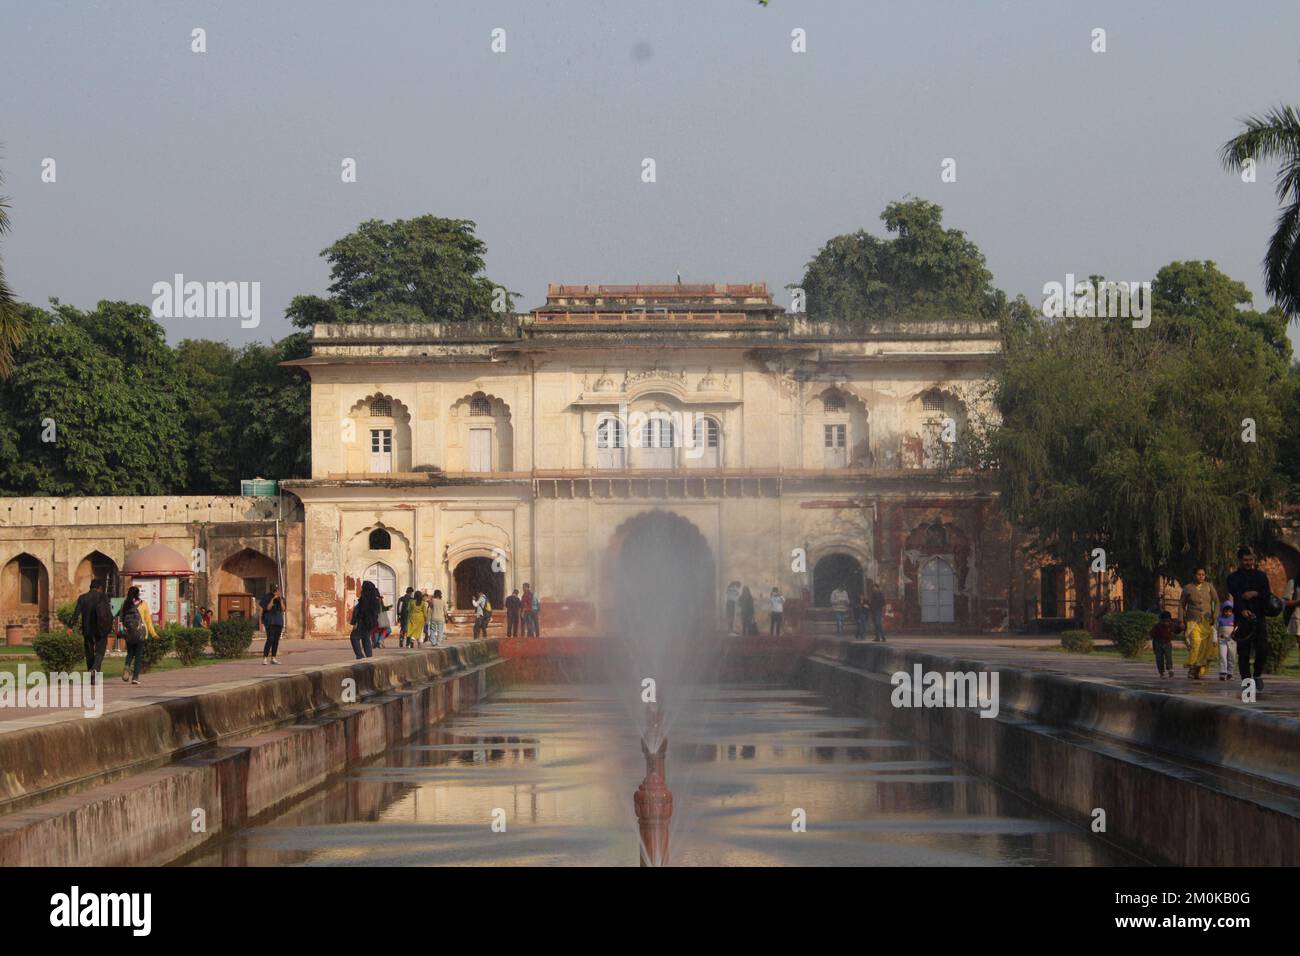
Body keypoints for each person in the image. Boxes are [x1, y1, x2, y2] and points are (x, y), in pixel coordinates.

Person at [1225, 547, 1272, 692]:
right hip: (1242, 618)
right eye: (1245, 560)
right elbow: (1237, 596)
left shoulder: (1261, 576)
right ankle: (1247, 682)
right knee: (1244, 652)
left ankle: (1257, 675)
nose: (1248, 563)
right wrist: (1243, 610)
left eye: (1251, 560)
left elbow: (1267, 594)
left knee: (1262, 649)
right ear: (1239, 560)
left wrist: (1255, 592)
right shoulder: (1233, 578)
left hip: (1259, 617)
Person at [1179, 568, 1219, 679]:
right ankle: (1192, 667)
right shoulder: (1187, 588)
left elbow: (1217, 601)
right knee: (1196, 644)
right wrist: (1181, 620)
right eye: (1199, 574)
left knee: (1205, 647)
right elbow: (1181, 605)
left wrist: (1215, 616)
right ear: (1194, 575)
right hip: (1193, 621)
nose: (1201, 576)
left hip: (1207, 622)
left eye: (1203, 574)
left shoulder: (1209, 586)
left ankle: (1198, 670)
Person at [72, 578, 114, 683]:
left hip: (87, 628)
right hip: (101, 628)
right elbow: (107, 613)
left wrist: (70, 625)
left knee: (89, 652)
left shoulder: (83, 598)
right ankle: (95, 669)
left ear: (91, 587)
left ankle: (91, 679)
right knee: (100, 650)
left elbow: (76, 613)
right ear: (100, 588)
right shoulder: (102, 597)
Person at [116, 585, 160, 685]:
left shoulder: (125, 604)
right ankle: (135, 677)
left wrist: (123, 632)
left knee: (130, 653)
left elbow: (121, 619)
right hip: (140, 634)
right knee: (138, 656)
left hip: (129, 634)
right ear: (138, 594)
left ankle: (127, 667)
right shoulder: (142, 604)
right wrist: (153, 634)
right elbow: (148, 621)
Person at [350, 580, 380, 659]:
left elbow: (360, 611)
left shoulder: (364, 598)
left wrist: (355, 622)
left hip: (362, 622)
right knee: (366, 638)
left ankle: (360, 656)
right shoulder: (375, 599)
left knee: (354, 637)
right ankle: (369, 657)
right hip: (371, 622)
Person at [259, 584, 286, 665]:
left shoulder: (281, 598)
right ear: (272, 590)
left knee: (276, 641)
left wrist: (280, 599)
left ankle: (273, 658)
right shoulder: (267, 597)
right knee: (270, 639)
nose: (277, 591)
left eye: (278, 590)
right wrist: (273, 599)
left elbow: (283, 609)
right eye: (275, 590)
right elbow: (268, 608)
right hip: (270, 621)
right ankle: (265, 658)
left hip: (278, 622)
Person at [1149, 611, 1181, 679]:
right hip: (1158, 643)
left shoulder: (1171, 625)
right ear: (1161, 620)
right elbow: (1152, 634)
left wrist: (1180, 628)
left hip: (1167, 643)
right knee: (1159, 658)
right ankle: (1161, 672)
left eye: (1168, 621)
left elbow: (1176, 630)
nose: (1166, 623)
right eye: (1164, 621)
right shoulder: (1157, 626)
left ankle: (1170, 669)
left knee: (1168, 657)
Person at [1216, 601, 1237, 681]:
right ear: (1223, 611)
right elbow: (1215, 629)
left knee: (1231, 657)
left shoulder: (1235, 618)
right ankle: (1223, 672)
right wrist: (1215, 639)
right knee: (1222, 656)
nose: (1228, 613)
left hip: (1232, 641)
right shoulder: (1219, 619)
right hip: (1222, 641)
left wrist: (1235, 634)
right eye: (1226, 611)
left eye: (1230, 611)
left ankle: (1230, 673)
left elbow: (1238, 628)